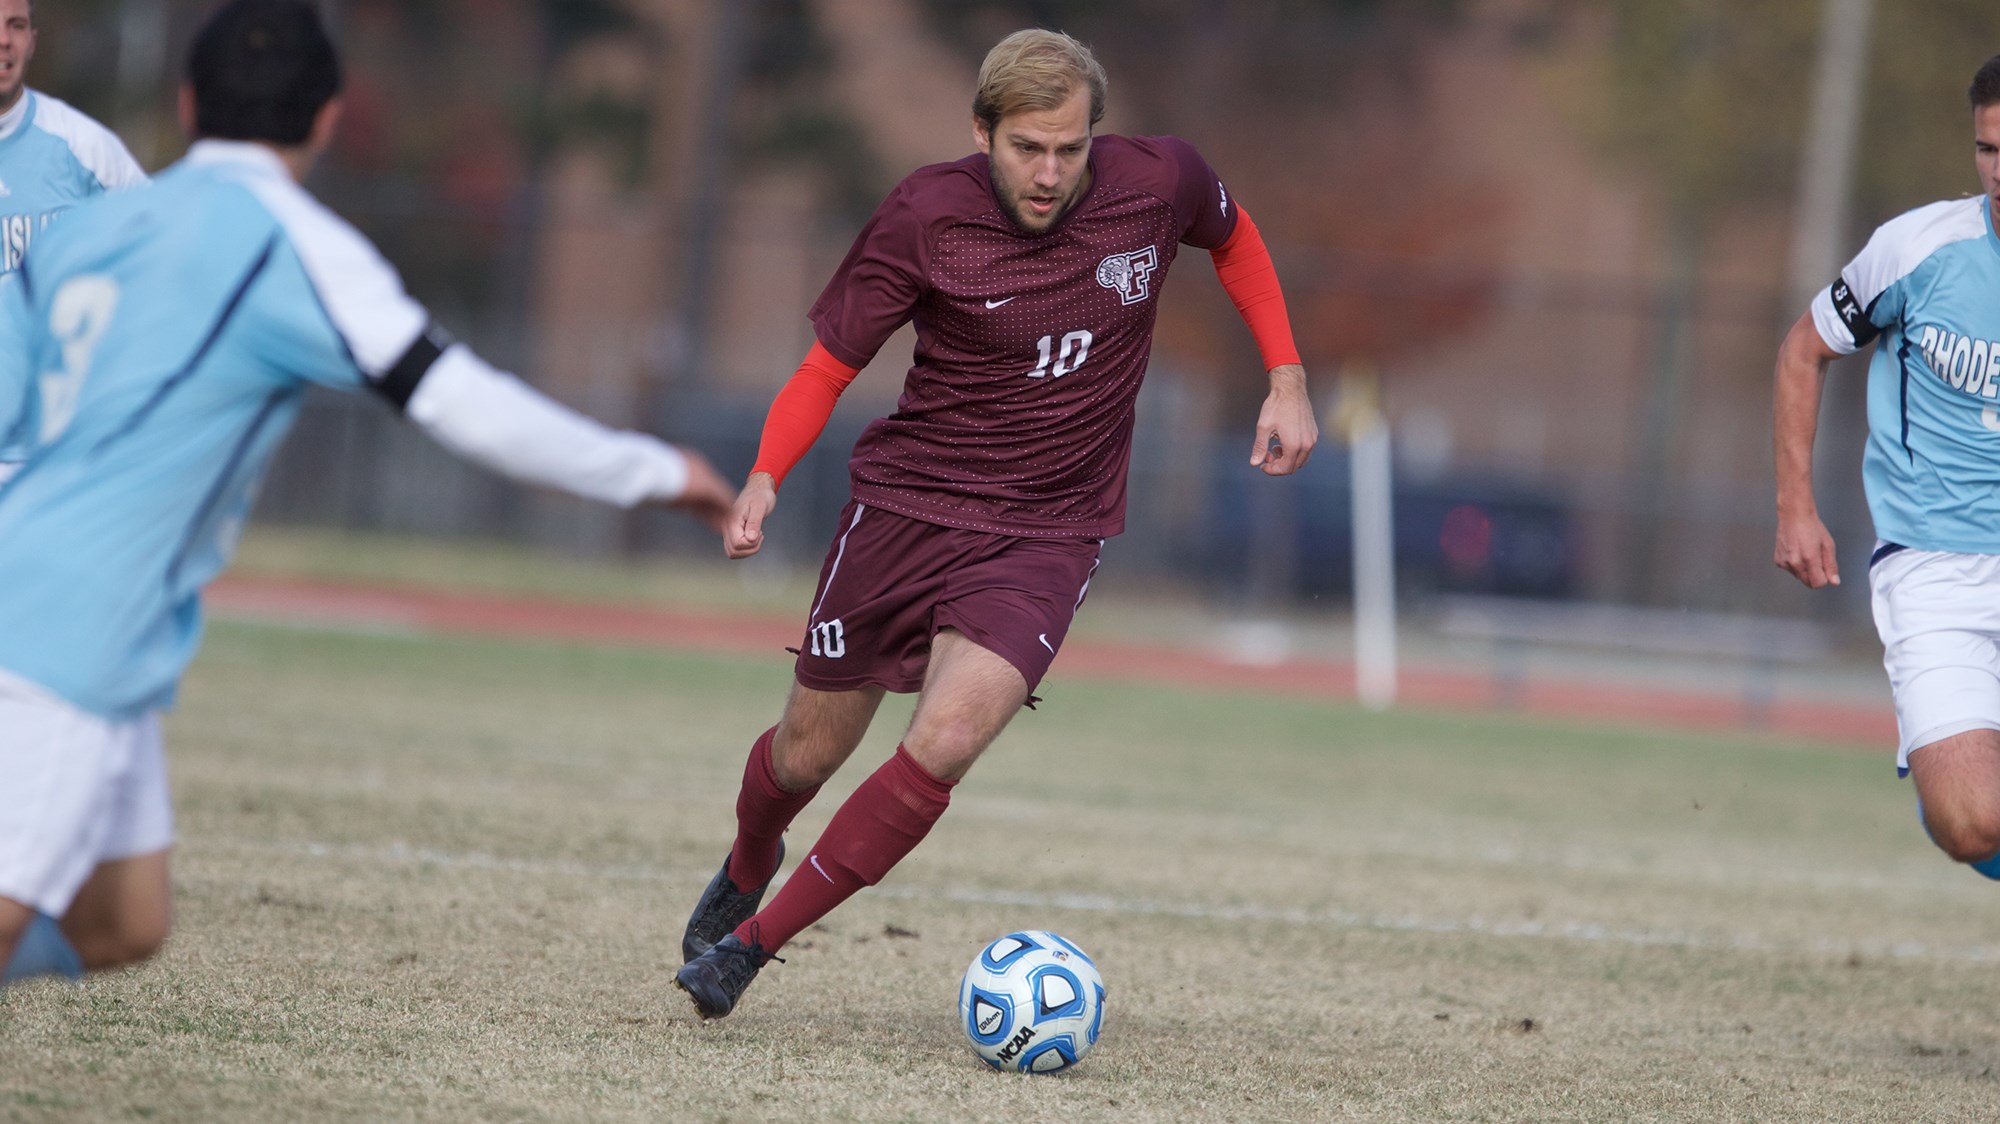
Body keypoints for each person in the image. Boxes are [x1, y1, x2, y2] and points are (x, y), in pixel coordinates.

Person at [0, 0, 736, 986]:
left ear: (186, 103)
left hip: (72, 594)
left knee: (127, 919)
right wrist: (654, 471)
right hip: (66, 617)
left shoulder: (102, 219)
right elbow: (461, 402)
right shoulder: (296, 242)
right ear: (327, 116)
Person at [674, 28, 1318, 1019]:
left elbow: (1233, 236)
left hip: (1048, 530)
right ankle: (750, 854)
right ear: (982, 132)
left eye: (1069, 147)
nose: (1050, 171)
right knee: (804, 754)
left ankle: (746, 949)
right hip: (904, 510)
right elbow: (826, 365)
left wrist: (1285, 375)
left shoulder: (1160, 182)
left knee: (948, 734)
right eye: (1027, 147)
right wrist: (764, 473)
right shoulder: (925, 214)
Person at [1773, 53, 2000, 879]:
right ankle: (1953, 786)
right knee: (1972, 826)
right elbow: (1804, 352)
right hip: (1934, 567)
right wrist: (1796, 508)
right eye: (1989, 151)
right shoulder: (1915, 249)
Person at [0, 0, 149, 481]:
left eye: (16, 26)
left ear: (32, 42)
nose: (4, 39)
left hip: (50, 462)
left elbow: (166, 252)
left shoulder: (85, 149)